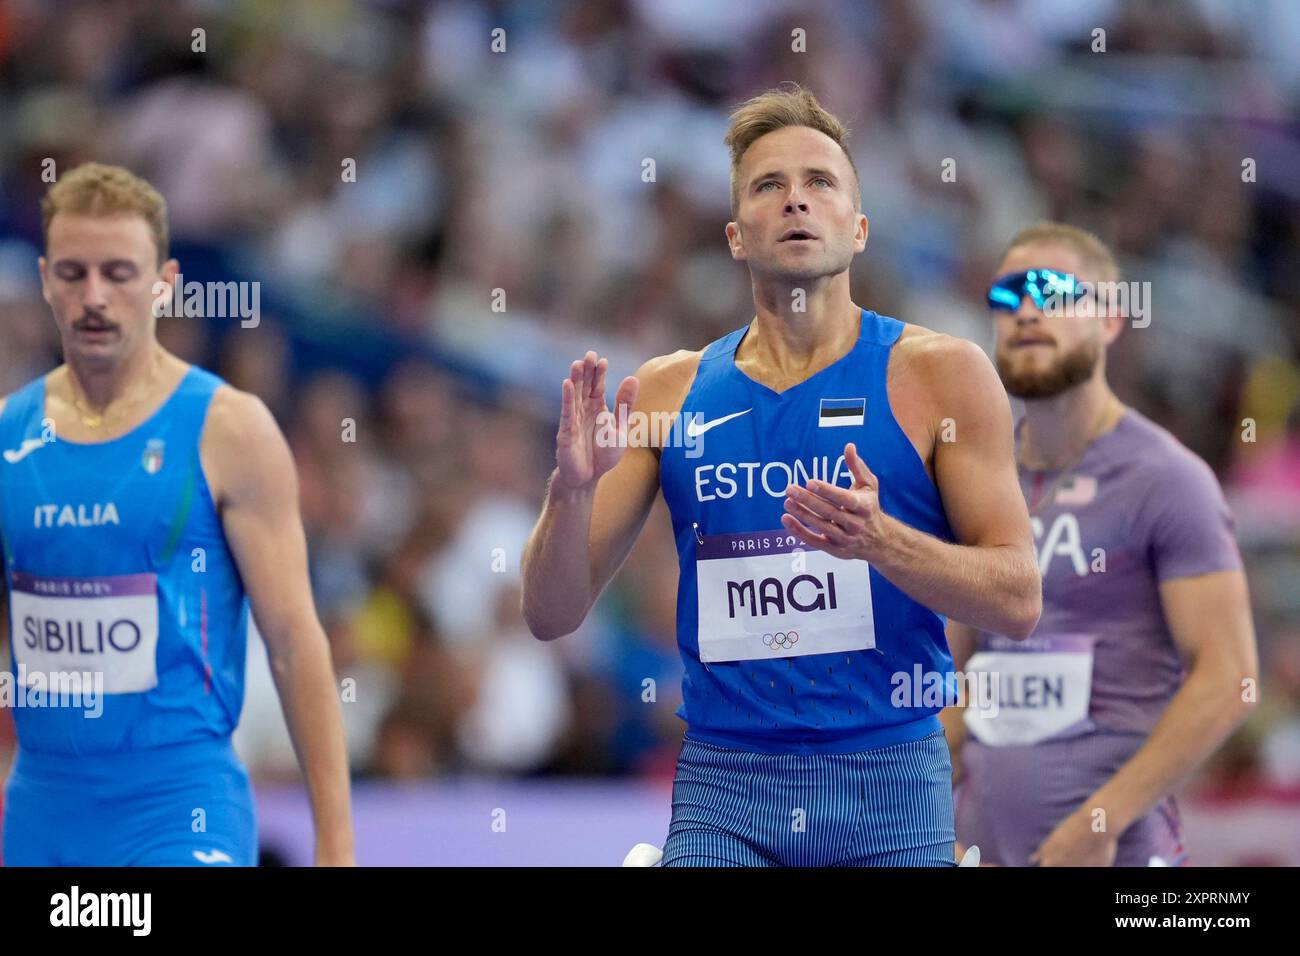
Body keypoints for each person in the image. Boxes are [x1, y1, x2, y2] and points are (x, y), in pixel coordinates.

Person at [521, 85, 1040, 867]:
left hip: (890, 785)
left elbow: (1019, 599)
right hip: (726, 790)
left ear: (858, 228)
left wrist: (883, 542)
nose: (796, 200)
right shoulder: (667, 392)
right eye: (769, 186)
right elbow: (551, 613)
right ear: (736, 236)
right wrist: (571, 491)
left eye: (819, 182)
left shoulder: (942, 377)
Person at [0, 162, 354, 865]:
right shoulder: (10, 434)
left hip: (180, 806)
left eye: (119, 273)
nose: (94, 297)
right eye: (72, 274)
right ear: (44, 280)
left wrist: (336, 843)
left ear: (163, 283)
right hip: (44, 806)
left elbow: (292, 640)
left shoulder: (231, 430)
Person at [942, 222, 1258, 866]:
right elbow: (946, 678)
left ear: (1111, 320)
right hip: (982, 847)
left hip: (1119, 855)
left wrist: (1100, 820)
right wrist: (915, 820)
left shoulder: (1166, 479)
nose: (1027, 311)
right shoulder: (978, 476)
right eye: (1007, 297)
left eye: (1053, 291)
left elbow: (1230, 678)